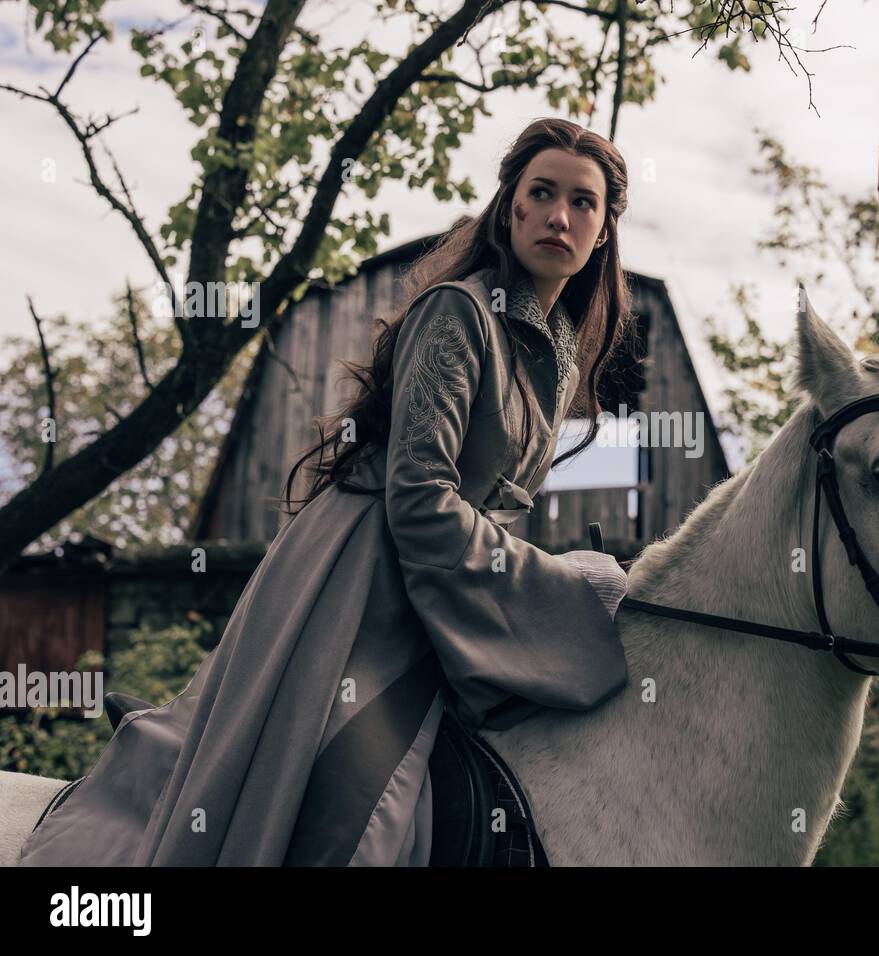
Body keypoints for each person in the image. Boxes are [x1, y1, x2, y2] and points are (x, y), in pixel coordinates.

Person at [18, 117, 635, 866]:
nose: (560, 216)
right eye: (542, 193)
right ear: (512, 208)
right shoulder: (460, 313)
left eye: (583, 202)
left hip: (446, 582)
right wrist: (560, 589)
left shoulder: (562, 356)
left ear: (602, 232)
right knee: (346, 798)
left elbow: (493, 503)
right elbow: (421, 495)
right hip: (363, 575)